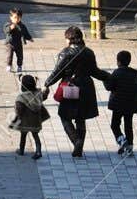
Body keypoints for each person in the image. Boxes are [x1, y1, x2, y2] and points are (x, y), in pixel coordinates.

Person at [43, 26, 107, 158]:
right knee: (80, 118)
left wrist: (47, 84)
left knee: (65, 116)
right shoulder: (88, 52)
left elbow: (57, 73)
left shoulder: (66, 53)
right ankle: (79, 147)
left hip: (70, 87)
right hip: (86, 87)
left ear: (69, 39)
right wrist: (108, 77)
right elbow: (95, 71)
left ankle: (76, 141)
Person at [103, 50, 137, 155]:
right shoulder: (135, 75)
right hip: (131, 105)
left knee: (115, 125)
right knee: (128, 125)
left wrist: (105, 79)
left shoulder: (117, 73)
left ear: (118, 62)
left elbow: (109, 87)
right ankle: (130, 146)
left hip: (118, 105)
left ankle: (122, 141)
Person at [10, 74, 49, 158]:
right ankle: (38, 152)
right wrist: (47, 90)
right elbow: (44, 96)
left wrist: (17, 116)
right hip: (36, 121)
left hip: (25, 122)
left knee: (23, 136)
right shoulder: (38, 94)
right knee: (35, 136)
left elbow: (19, 110)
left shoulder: (21, 97)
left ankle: (21, 150)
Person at [3, 8, 33, 73]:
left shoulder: (22, 26)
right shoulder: (8, 24)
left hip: (19, 43)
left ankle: (19, 66)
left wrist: (29, 38)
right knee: (9, 55)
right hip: (10, 44)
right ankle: (9, 65)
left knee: (20, 56)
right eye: (15, 17)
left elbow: (25, 33)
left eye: (19, 18)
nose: (17, 19)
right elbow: (5, 30)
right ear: (11, 17)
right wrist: (10, 28)